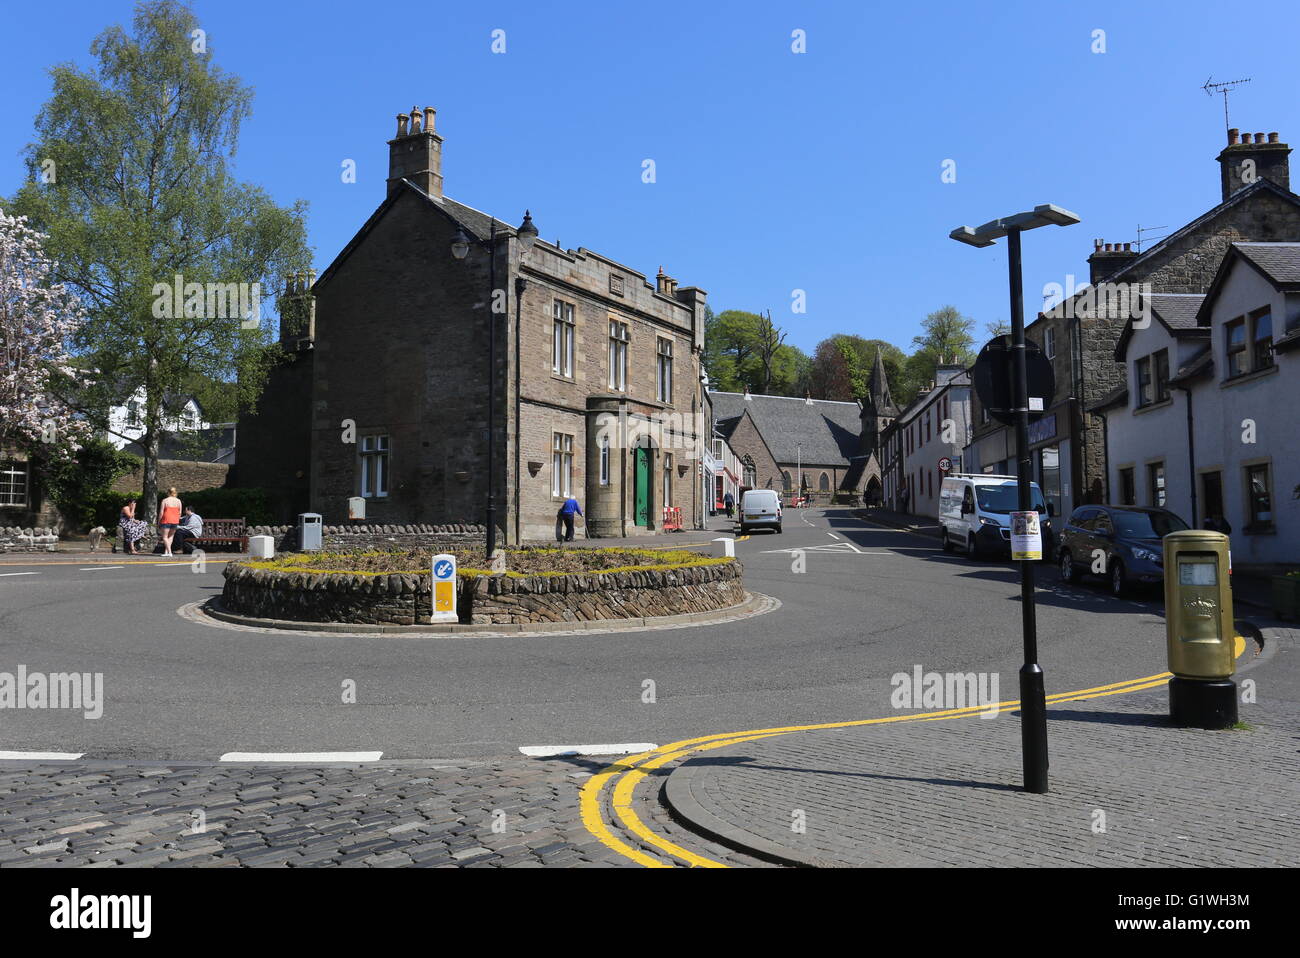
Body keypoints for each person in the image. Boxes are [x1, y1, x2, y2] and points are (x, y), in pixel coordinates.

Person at [157, 487, 182, 557]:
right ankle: (166, 552)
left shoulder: (165, 500)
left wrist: (159, 521)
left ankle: (170, 552)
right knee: (170, 536)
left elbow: (161, 512)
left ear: (168, 492)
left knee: (164, 537)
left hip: (166, 520)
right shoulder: (178, 501)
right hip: (175, 520)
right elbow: (179, 513)